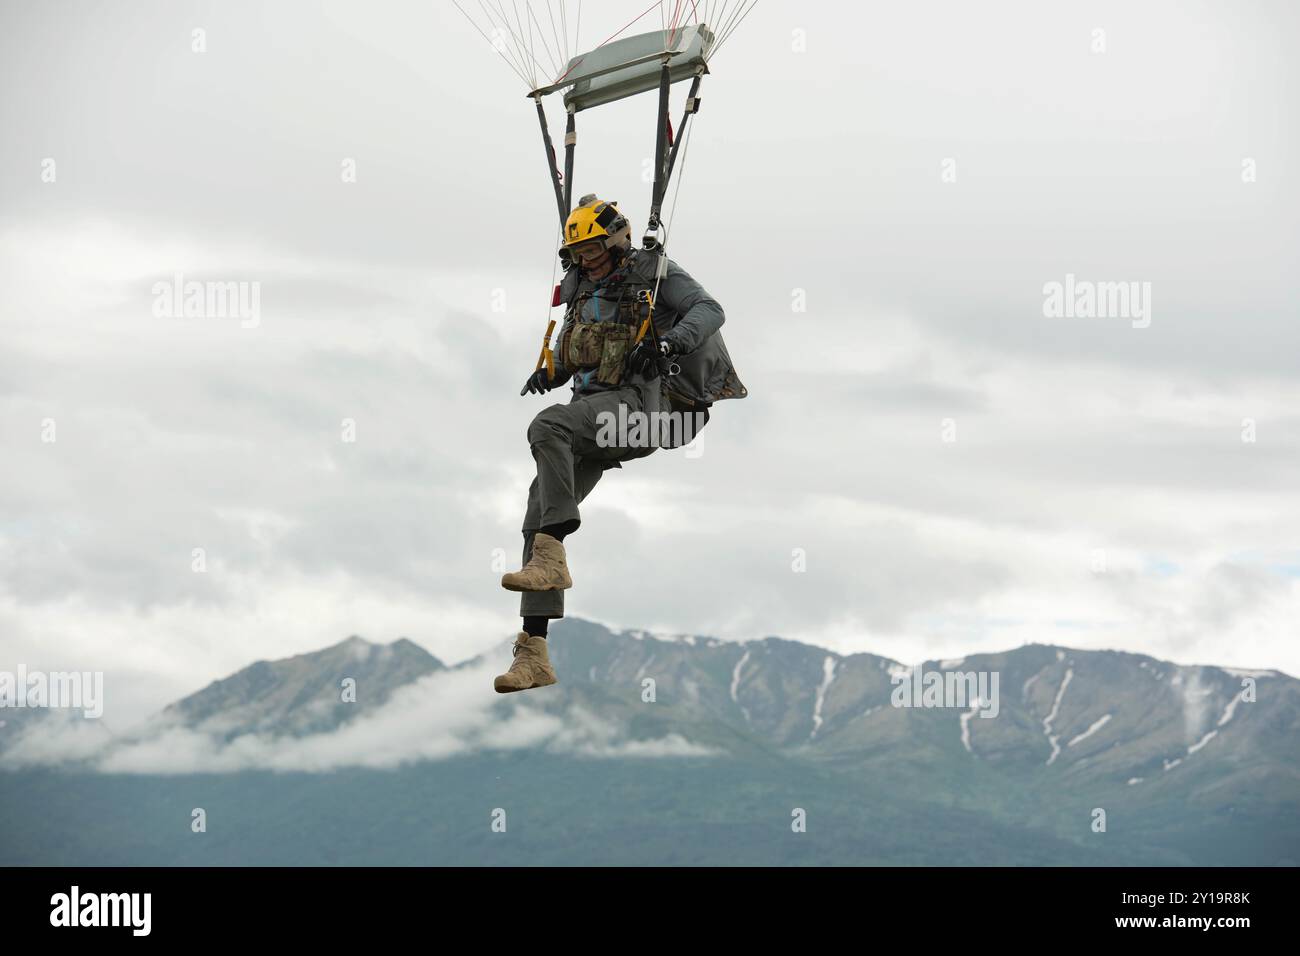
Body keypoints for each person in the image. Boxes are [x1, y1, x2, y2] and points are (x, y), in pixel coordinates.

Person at [493, 194, 747, 693]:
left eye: (593, 249)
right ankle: (534, 651)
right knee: (537, 511)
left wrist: (669, 344)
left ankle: (553, 553)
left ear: (615, 240)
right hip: (606, 414)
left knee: (549, 427)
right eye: (578, 252)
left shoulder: (653, 274)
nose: (586, 259)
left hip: (649, 413)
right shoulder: (582, 291)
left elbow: (709, 309)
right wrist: (551, 371)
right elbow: (584, 350)